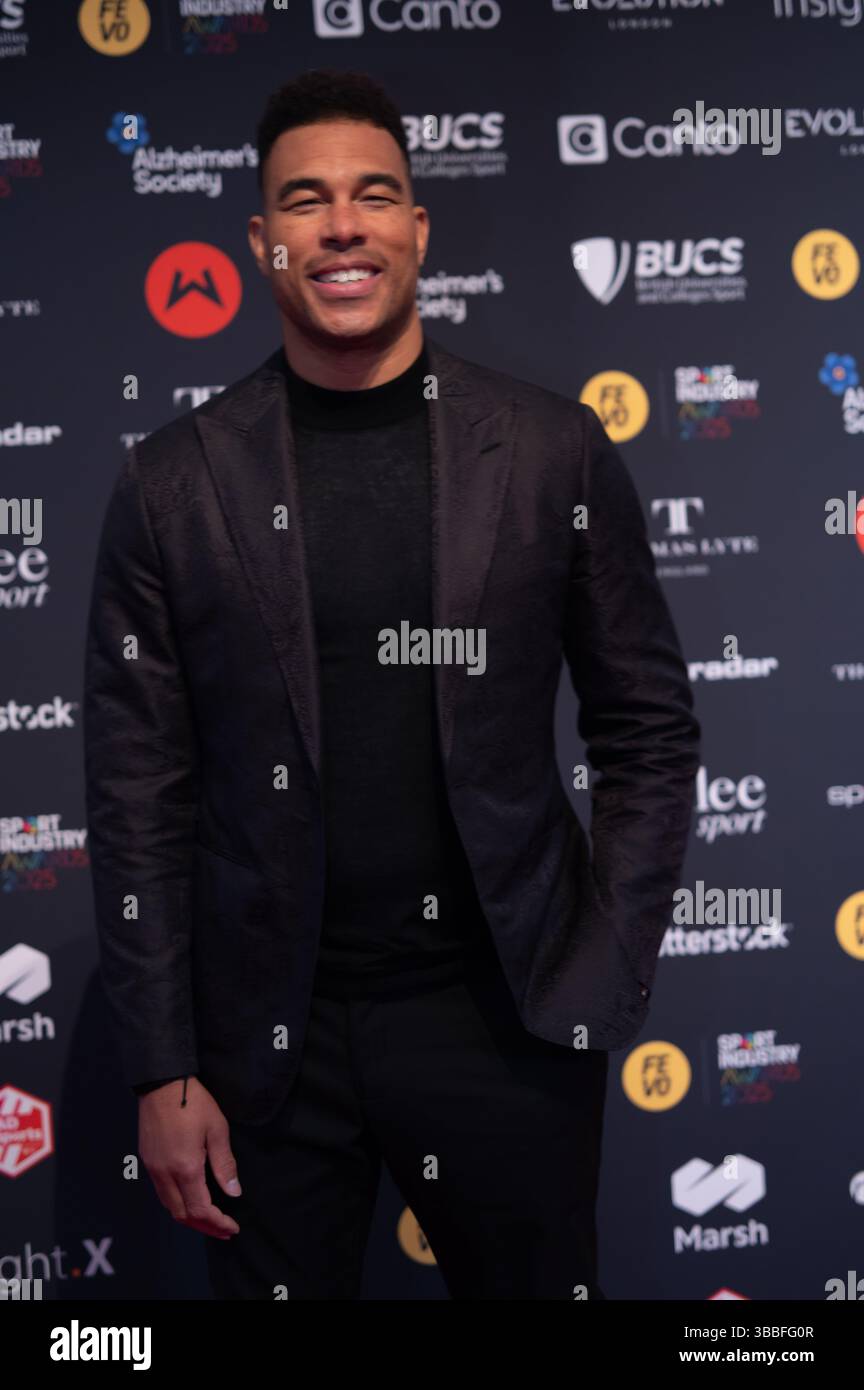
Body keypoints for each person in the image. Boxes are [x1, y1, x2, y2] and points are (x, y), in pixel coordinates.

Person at [83, 68, 700, 1300]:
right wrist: (163, 1067)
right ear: (262, 244)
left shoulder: (548, 448)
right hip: (268, 1040)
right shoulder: (173, 482)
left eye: (376, 196)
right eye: (304, 202)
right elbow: (137, 787)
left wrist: (601, 964)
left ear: (420, 227)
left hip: (501, 1017)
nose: (343, 225)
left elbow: (648, 726)